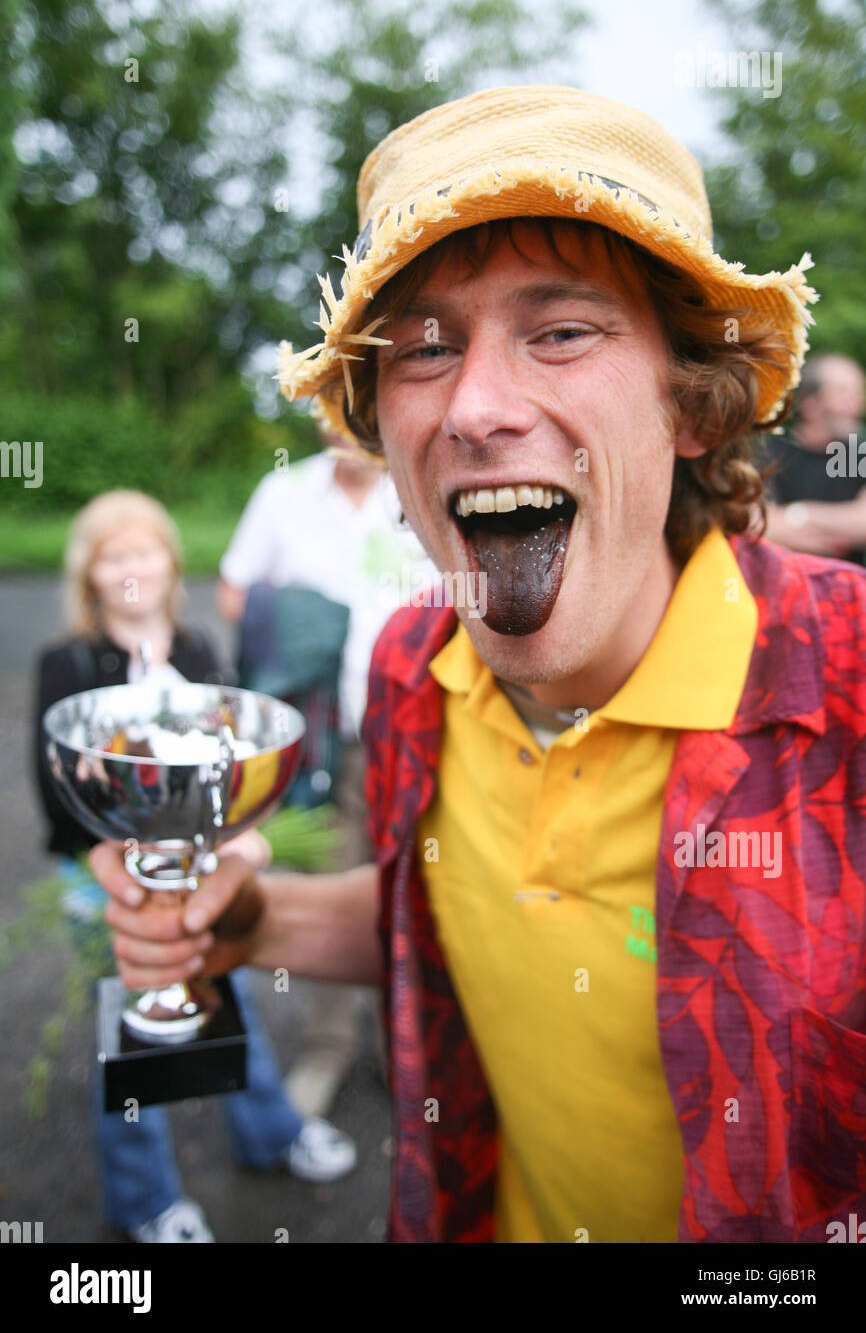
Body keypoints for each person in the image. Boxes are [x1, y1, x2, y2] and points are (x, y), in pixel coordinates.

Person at [88, 88, 866, 1244]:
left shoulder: (841, 682)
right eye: (420, 349)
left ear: (688, 404)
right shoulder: (412, 666)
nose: (475, 405)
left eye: (559, 331)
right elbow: (457, 916)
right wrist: (253, 919)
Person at [33, 490, 356, 1244]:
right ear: (90, 573)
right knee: (132, 1028)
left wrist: (234, 843)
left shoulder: (196, 647)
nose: (131, 567)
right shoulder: (70, 661)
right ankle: (145, 1199)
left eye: (144, 550)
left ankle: (272, 1133)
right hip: (100, 873)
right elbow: (52, 785)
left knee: (225, 993)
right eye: (114, 555)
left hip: (199, 864)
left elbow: (229, 761)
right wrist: (120, 865)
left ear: (170, 563)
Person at [217, 426, 436, 1115]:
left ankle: (401, 1049)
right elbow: (232, 593)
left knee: (417, 884)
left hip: (419, 729)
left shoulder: (422, 486)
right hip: (328, 738)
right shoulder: (284, 494)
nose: (345, 425)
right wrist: (303, 621)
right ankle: (327, 1049)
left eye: (357, 405)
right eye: (330, 408)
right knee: (337, 879)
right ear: (319, 416)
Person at [761, 352, 866, 563]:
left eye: (858, 393)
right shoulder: (770, 453)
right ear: (810, 404)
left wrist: (795, 514)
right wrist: (843, 528)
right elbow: (756, 524)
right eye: (842, 392)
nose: (855, 405)